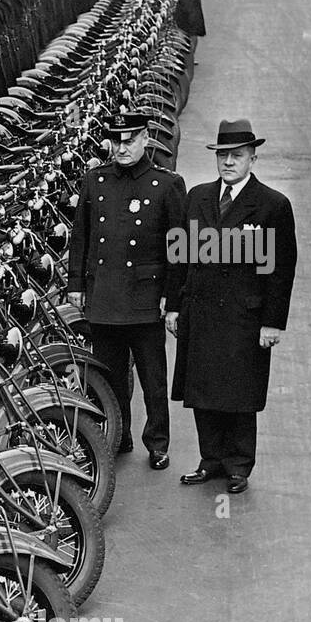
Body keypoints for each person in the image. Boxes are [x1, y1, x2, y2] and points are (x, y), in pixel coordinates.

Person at [166, 120, 298, 494]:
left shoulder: (272, 205)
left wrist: (272, 323)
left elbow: (280, 270)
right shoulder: (198, 196)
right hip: (202, 313)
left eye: (236, 156)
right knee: (203, 389)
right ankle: (211, 460)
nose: (228, 163)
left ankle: (239, 465)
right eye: (223, 156)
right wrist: (174, 306)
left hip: (245, 317)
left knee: (239, 392)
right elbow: (180, 257)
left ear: (252, 159)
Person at [67, 112, 188, 470]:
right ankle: (119, 435)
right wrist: (76, 284)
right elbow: (81, 237)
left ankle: (158, 442)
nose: (121, 147)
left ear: (146, 139)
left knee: (152, 375)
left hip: (145, 297)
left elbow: (178, 246)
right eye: (116, 140)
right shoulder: (95, 180)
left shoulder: (165, 184)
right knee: (111, 373)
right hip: (104, 295)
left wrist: (173, 293)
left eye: (130, 140)